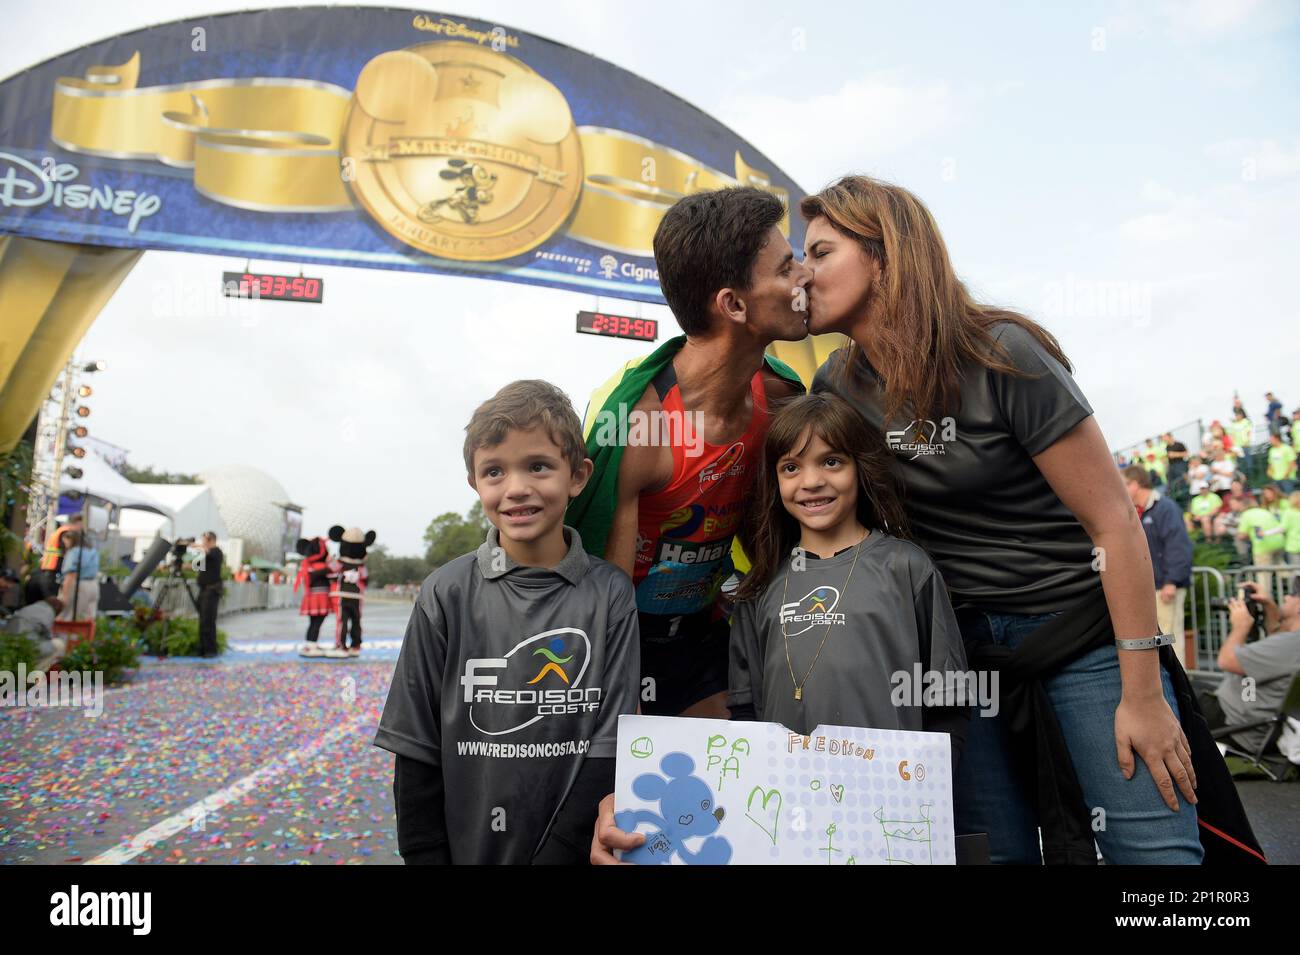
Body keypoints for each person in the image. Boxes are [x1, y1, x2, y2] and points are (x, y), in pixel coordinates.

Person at [801, 175, 1211, 864]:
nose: (801, 273)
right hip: (961, 654)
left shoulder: (1004, 353)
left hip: (1082, 637)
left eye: (819, 251)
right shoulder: (835, 385)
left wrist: (1142, 693)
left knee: (1155, 857)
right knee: (993, 855)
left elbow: (1116, 522)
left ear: (885, 255)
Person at [566, 187, 811, 720]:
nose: (805, 279)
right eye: (787, 268)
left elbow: (775, 535)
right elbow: (606, 600)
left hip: (707, 632)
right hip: (625, 642)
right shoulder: (639, 424)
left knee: (732, 787)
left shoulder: (784, 396)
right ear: (734, 304)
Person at [374, 380, 640, 864]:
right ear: (475, 484)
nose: (516, 488)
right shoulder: (445, 592)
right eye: (494, 471)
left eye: (538, 466)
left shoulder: (611, 594)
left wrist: (561, 853)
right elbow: (415, 746)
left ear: (577, 476)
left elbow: (612, 745)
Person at [727, 392, 970, 759]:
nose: (811, 481)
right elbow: (746, 709)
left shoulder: (906, 568)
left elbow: (948, 703)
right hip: (788, 800)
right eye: (791, 467)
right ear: (774, 481)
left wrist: (930, 789)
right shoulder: (760, 586)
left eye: (831, 462)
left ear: (861, 468)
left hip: (890, 797)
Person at [1200, 580, 1300, 756]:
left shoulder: (1292, 643)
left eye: (1292, 594)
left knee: (1170, 689)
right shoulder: (1291, 644)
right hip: (1248, 715)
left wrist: (1241, 627)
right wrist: (1269, 607)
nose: (1286, 596)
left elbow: (1227, 661)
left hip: (1236, 723)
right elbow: (1277, 641)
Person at [1123, 467, 1193, 667]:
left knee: (1169, 639)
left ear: (1134, 485)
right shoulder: (1137, 511)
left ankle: (1178, 694)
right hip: (1150, 588)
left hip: (1165, 586)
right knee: (1156, 642)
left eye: (1124, 484)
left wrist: (1171, 581)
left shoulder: (1165, 507)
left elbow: (1178, 547)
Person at [293, 536, 334, 656]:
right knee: (317, 622)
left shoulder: (308, 565)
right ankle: (311, 645)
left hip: (312, 596)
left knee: (313, 622)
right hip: (320, 596)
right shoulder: (323, 567)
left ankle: (311, 644)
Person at [1234, 497, 1285, 591]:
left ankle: (1265, 601)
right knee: (1282, 568)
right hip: (1279, 542)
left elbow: (1241, 535)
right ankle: (1291, 589)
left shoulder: (1246, 514)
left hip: (1262, 546)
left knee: (1263, 577)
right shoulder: (1264, 511)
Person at [55, 529, 100, 622]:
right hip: (93, 585)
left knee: (69, 616)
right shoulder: (93, 551)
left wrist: (64, 597)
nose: (65, 545)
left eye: (66, 542)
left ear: (72, 540)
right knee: (88, 617)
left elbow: (71, 575)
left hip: (78, 586)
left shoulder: (74, 552)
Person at [37, 513, 82, 599]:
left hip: (50, 566)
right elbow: (67, 549)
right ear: (76, 523)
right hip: (54, 566)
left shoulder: (61, 530)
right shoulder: (66, 532)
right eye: (81, 525)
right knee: (51, 596)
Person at [195, 532, 223, 657]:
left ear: (210, 540)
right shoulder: (205, 555)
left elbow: (209, 553)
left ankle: (210, 649)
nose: (202, 543)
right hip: (203, 591)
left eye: (204, 541)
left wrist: (197, 546)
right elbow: (196, 567)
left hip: (211, 591)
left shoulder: (216, 552)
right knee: (203, 621)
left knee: (208, 621)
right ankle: (202, 648)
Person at [1162, 432, 1189, 501]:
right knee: (1169, 478)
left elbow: (1186, 454)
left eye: (1165, 437)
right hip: (1172, 466)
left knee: (1180, 478)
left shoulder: (1179, 444)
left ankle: (1183, 494)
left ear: (1170, 437)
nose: (1164, 439)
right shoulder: (1167, 447)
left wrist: (1175, 454)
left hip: (1180, 464)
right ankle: (1170, 495)